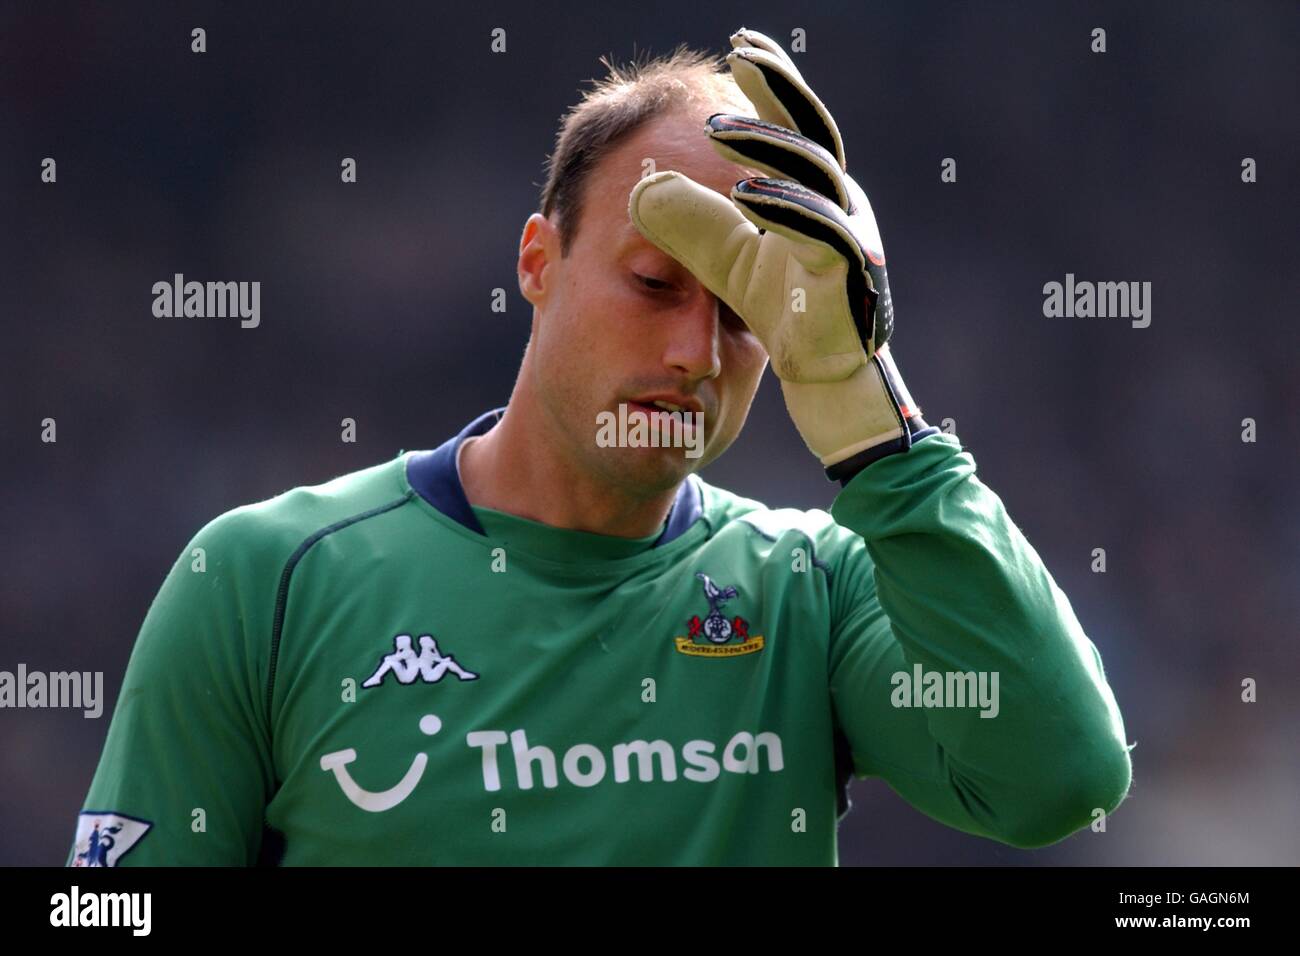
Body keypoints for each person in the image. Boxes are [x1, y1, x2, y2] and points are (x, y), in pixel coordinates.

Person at [69, 28, 1131, 866]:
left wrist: (870, 411)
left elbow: (1062, 777)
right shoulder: (263, 579)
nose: (692, 351)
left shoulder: (814, 589)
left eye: (743, 314)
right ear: (539, 260)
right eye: (653, 283)